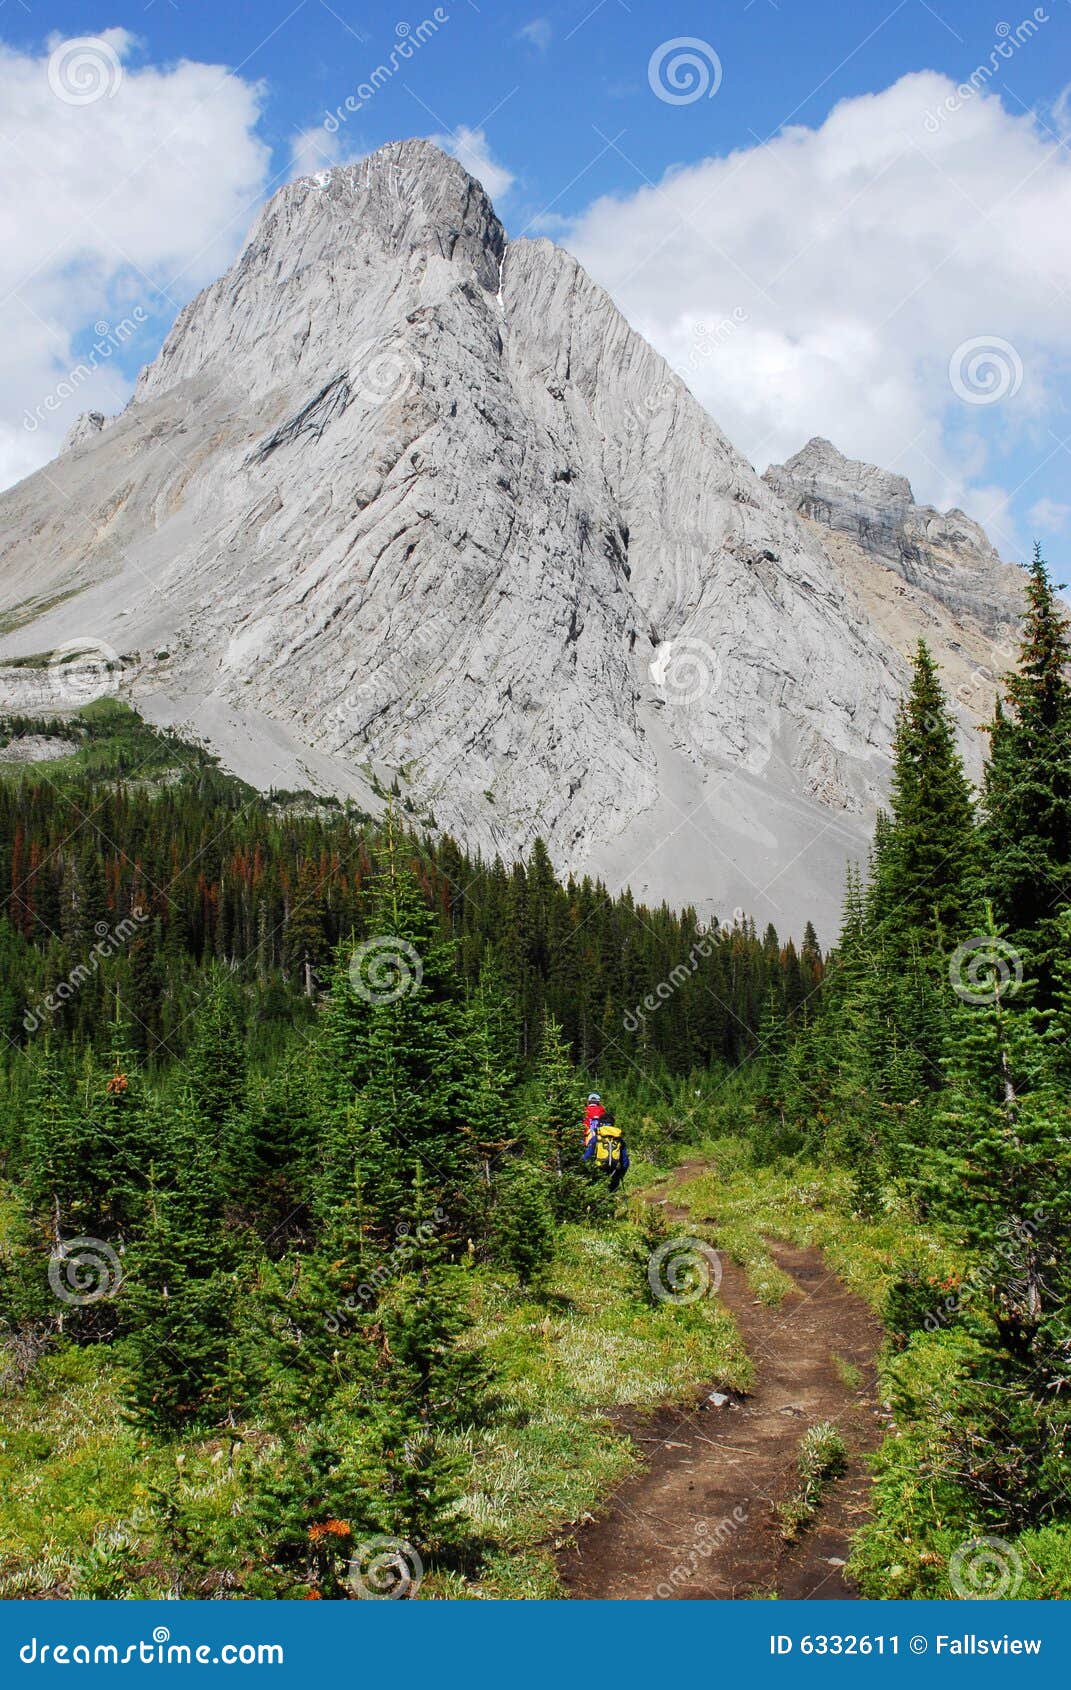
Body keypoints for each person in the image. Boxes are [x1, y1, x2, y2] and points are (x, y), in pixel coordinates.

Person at [583, 1107, 630, 1193]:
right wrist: (621, 1174)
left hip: (599, 1170)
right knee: (611, 1194)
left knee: (599, 1194)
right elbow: (625, 1162)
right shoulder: (619, 1140)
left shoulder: (596, 1138)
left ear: (600, 1124)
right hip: (615, 1171)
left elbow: (587, 1157)